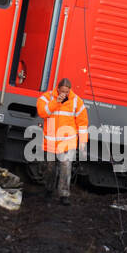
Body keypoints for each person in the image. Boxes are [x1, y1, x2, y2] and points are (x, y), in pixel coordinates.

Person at [36, 77, 88, 205]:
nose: (64, 94)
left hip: (67, 142)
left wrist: (82, 142)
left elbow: (82, 123)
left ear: (70, 90)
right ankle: (49, 190)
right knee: (50, 169)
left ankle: (64, 195)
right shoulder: (46, 98)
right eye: (62, 91)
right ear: (58, 89)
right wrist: (56, 102)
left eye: (67, 91)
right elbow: (43, 113)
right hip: (51, 142)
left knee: (66, 167)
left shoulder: (77, 101)